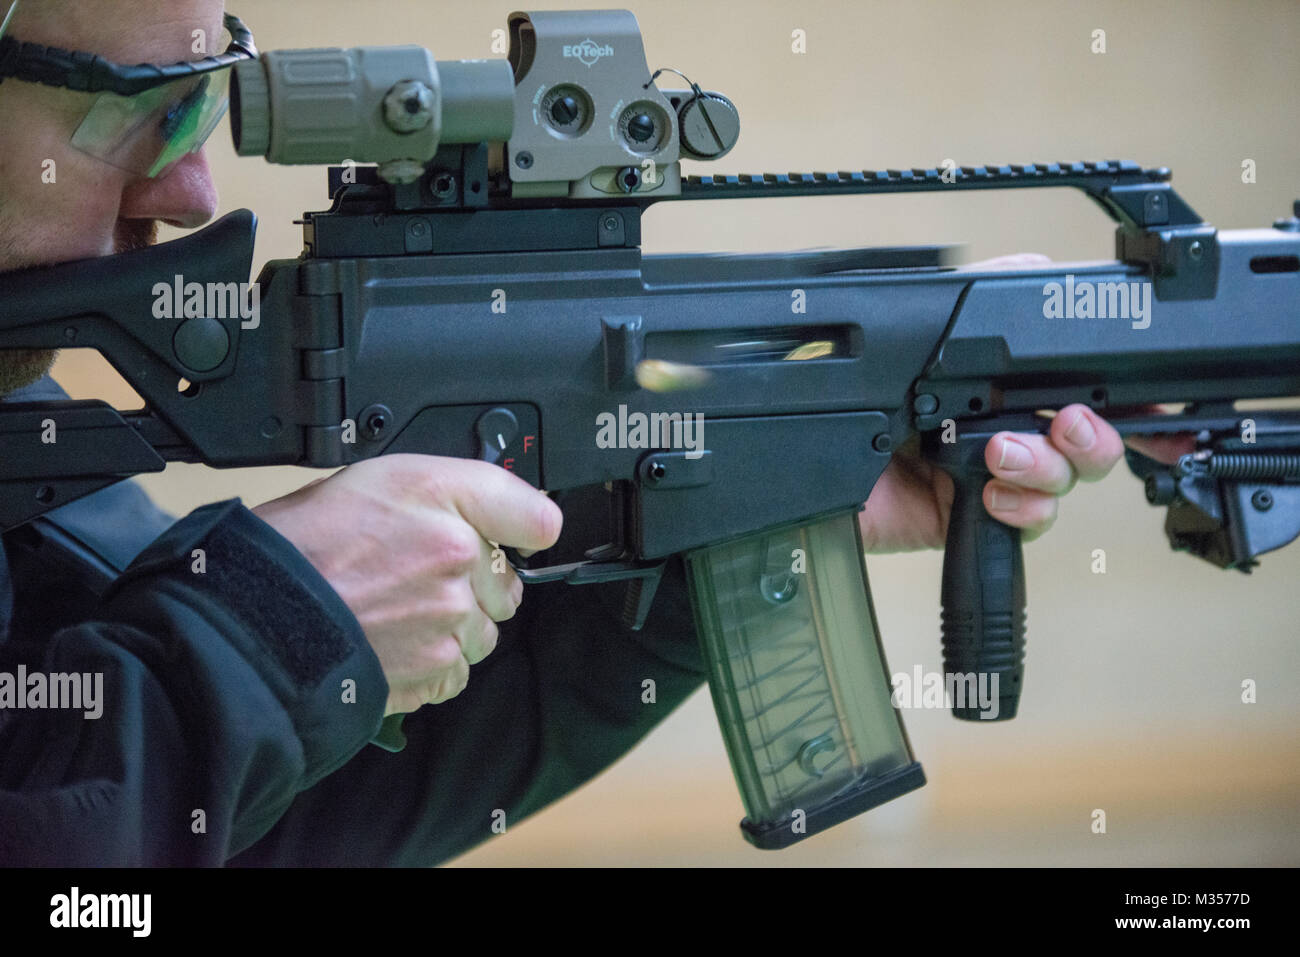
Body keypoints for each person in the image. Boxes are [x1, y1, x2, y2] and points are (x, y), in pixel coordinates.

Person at [0, 0, 1181, 865]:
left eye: (201, 102)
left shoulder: (36, 449)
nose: (195, 194)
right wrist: (269, 632)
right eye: (130, 112)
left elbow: (258, 837)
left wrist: (715, 518)